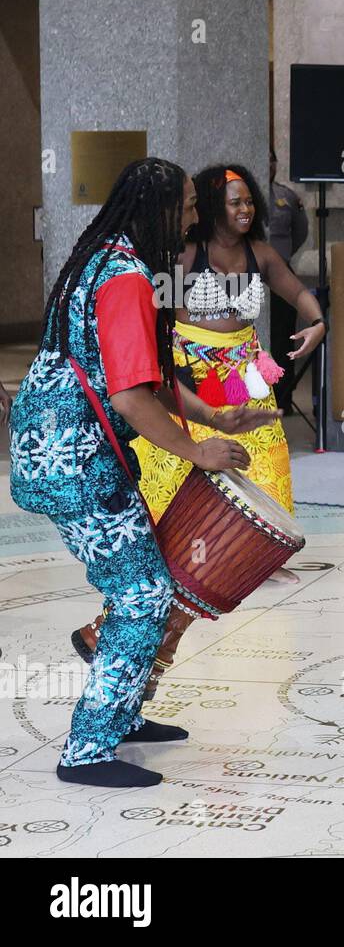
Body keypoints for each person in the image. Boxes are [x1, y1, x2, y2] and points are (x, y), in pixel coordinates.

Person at [8, 158, 279, 788]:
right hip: (75, 459)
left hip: (61, 448)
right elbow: (130, 398)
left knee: (138, 580)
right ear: (157, 208)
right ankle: (87, 749)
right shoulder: (127, 277)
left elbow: (136, 376)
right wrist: (200, 450)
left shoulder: (99, 258)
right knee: (143, 594)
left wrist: (214, 415)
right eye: (186, 205)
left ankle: (123, 715)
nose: (194, 217)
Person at [130, 163, 325, 583]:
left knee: (261, 456)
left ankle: (255, 555)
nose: (246, 209)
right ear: (214, 207)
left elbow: (296, 292)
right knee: (183, 458)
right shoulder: (182, 256)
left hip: (245, 368)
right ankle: (173, 549)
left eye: (249, 201)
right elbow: (155, 313)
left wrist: (317, 323)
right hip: (191, 367)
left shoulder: (262, 253)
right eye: (235, 202)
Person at [268, 148, 310, 412]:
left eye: (271, 158)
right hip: (248, 278)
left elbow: (301, 231)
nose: (267, 163)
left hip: (280, 275)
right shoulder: (239, 198)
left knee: (284, 336)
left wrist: (281, 260)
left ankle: (283, 397)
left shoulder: (286, 196)